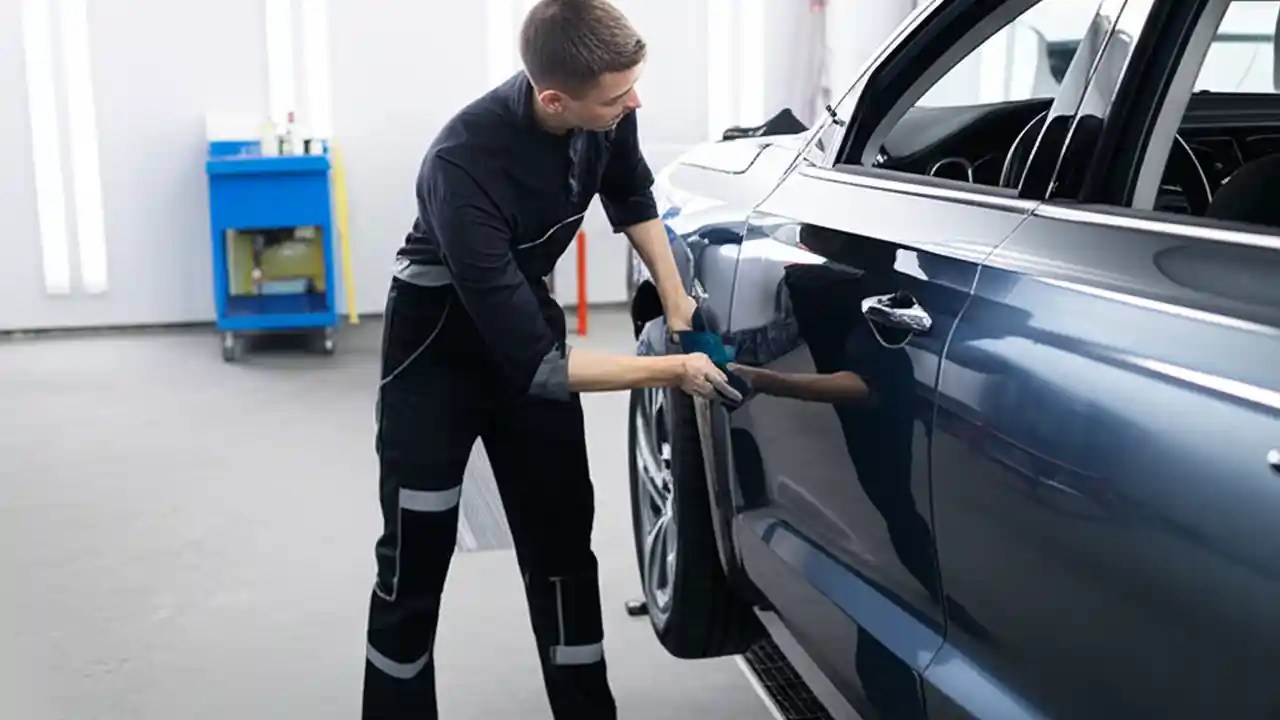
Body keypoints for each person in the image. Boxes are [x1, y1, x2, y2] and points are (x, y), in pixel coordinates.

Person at [360, 1, 739, 717]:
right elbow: (542, 366)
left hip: (520, 312)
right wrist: (672, 369)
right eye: (617, 96)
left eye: (632, 87)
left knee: (563, 544)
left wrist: (676, 294)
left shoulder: (607, 109)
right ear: (554, 99)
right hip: (435, 352)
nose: (634, 103)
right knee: (414, 561)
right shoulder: (460, 163)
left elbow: (630, 194)